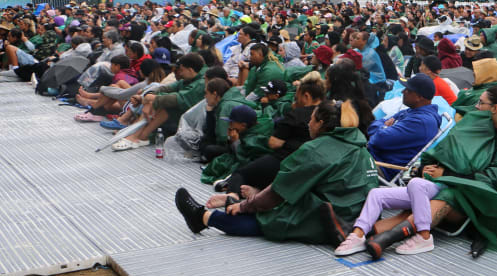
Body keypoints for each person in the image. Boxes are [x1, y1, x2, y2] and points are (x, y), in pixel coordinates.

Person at [332, 86, 497, 258]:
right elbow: (447, 152)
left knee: (443, 196)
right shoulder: (477, 128)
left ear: (496, 108)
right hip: (453, 186)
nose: (476, 107)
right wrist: (427, 167)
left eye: (480, 103)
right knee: (421, 195)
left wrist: (448, 174)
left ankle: (388, 237)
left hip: (489, 199)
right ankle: (364, 234)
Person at [175, 101, 379, 244]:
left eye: (312, 118)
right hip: (358, 219)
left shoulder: (317, 150)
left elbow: (276, 195)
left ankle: (202, 217)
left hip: (331, 221)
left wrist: (245, 206)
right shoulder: (359, 145)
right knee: (268, 199)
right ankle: (235, 199)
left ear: (321, 124)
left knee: (271, 217)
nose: (308, 122)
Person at [112, 53, 206, 151]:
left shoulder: (200, 84)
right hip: (181, 117)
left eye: (182, 70)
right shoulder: (189, 79)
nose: (180, 73)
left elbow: (179, 99)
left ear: (190, 70)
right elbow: (166, 88)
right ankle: (138, 135)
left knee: (165, 104)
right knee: (155, 98)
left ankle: (138, 136)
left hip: (193, 123)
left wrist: (151, 98)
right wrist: (144, 97)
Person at [367, 73, 442, 178]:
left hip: (382, 167)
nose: (403, 91)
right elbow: (379, 124)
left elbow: (378, 139)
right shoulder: (413, 110)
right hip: (374, 156)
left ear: (419, 97)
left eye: (408, 90)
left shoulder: (420, 122)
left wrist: (383, 127)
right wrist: (383, 127)